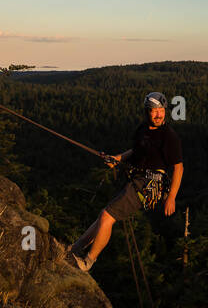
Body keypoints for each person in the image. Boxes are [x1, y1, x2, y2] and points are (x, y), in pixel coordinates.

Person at [68, 91, 183, 272]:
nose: (159, 114)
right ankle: (76, 248)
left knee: (107, 217)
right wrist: (118, 158)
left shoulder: (169, 136)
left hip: (148, 186)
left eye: (161, 110)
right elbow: (136, 151)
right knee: (103, 216)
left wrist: (172, 197)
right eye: (154, 110)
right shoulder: (143, 130)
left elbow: (178, 168)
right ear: (147, 111)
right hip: (137, 180)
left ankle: (87, 262)